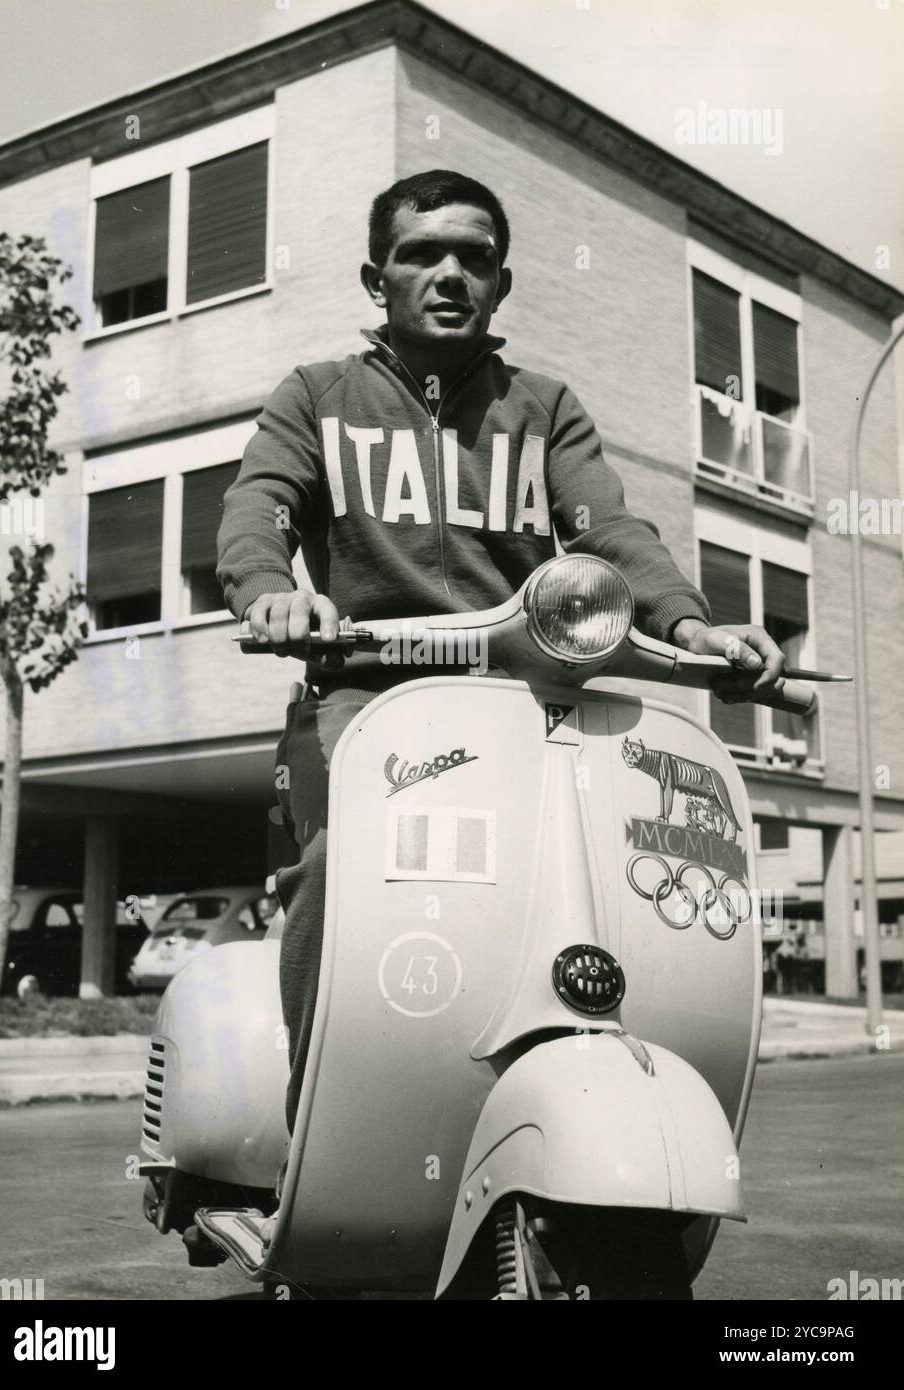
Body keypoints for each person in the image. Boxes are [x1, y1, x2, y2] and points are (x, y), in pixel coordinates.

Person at [217, 169, 786, 1134]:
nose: (449, 275)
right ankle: (320, 1128)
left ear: (502, 285)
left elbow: (609, 529)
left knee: (618, 872)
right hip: (369, 695)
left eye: (474, 258)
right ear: (375, 277)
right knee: (335, 870)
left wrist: (692, 626)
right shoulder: (315, 397)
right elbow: (257, 508)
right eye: (421, 254)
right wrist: (271, 594)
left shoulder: (544, 406)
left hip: (527, 699)